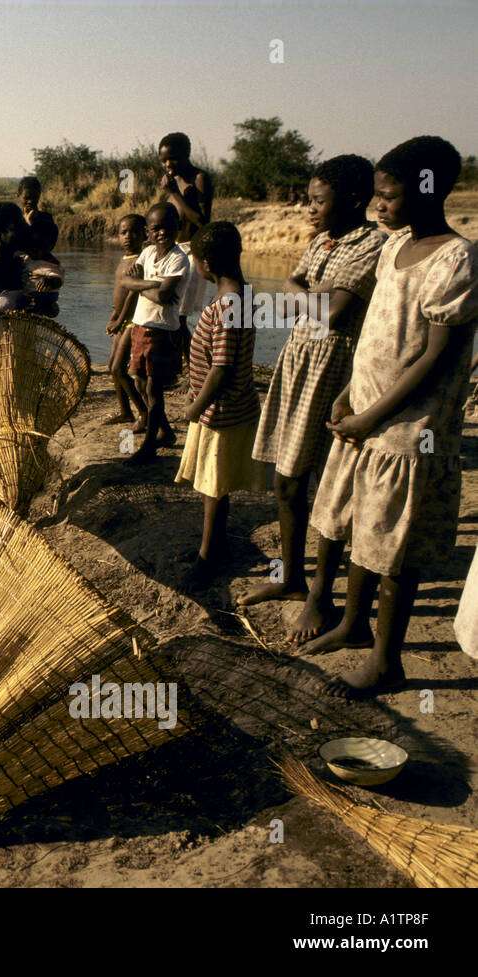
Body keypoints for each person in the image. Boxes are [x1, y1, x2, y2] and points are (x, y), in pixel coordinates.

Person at [300, 136, 478, 700]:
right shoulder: (392, 245)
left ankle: (387, 661)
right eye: (376, 195)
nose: (378, 206)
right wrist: (351, 393)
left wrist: (373, 413)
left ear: (428, 189)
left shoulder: (457, 259)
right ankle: (353, 624)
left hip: (410, 431)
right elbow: (378, 330)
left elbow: (434, 356)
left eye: (388, 195)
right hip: (367, 418)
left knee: (394, 547)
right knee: (361, 529)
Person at [242, 155, 387, 612]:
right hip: (300, 357)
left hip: (335, 368)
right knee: (286, 479)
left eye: (318, 201)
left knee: (328, 485)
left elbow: (333, 312)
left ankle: (322, 590)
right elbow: (292, 302)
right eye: (309, 200)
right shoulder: (324, 241)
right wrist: (305, 293)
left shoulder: (372, 243)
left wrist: (302, 293)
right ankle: (292, 578)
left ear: (354, 201)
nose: (310, 210)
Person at [175, 222, 264, 591]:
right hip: (234, 406)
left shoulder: (226, 305)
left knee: (211, 487)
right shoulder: (242, 295)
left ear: (205, 263)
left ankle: (208, 557)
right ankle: (219, 545)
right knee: (218, 485)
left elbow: (221, 367)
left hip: (220, 412)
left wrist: (195, 407)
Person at [120, 203, 188, 462]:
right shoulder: (147, 253)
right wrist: (151, 284)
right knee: (138, 379)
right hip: (140, 325)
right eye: (155, 229)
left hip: (161, 331)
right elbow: (127, 282)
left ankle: (150, 445)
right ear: (148, 232)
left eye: (167, 227)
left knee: (154, 388)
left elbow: (164, 296)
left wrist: (144, 287)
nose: (161, 233)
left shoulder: (178, 258)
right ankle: (167, 432)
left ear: (178, 227)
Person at [158, 133, 214, 366]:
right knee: (169, 312)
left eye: (172, 159)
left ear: (186, 155)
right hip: (174, 251)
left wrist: (173, 193)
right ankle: (179, 363)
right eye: (163, 160)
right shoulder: (174, 180)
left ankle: (196, 369)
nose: (168, 164)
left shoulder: (198, 178)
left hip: (192, 252)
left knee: (178, 315)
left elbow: (202, 220)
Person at [104, 214, 148, 427]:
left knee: (118, 369)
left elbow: (132, 294)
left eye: (133, 232)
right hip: (121, 319)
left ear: (144, 235)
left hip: (132, 320)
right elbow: (119, 294)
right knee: (111, 366)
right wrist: (113, 318)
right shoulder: (123, 260)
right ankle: (125, 412)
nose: (128, 237)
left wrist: (120, 320)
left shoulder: (140, 261)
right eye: (123, 233)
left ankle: (143, 412)